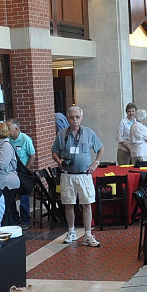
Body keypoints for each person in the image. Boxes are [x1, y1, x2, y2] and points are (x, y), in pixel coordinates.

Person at [51, 105, 104, 247]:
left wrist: (95, 163)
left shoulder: (88, 133)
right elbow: (54, 151)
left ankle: (88, 235)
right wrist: (58, 160)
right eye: (71, 117)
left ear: (82, 118)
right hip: (67, 175)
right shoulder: (62, 134)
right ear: (67, 118)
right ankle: (71, 232)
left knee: (87, 204)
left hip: (84, 175)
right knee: (68, 204)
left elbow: (100, 148)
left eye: (77, 117)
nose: (75, 120)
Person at [7, 119, 36, 229]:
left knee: (23, 198)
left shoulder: (25, 139)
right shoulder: (7, 141)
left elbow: (32, 156)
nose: (7, 131)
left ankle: (25, 221)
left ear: (16, 129)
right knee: (11, 197)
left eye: (9, 129)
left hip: (22, 173)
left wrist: (26, 170)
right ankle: (15, 219)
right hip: (11, 173)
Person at [0, 122, 20, 227]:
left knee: (6, 209)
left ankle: (7, 229)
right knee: (9, 209)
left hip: (7, 182)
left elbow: (1, 165)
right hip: (3, 181)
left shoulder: (5, 146)